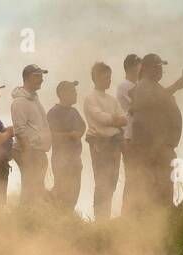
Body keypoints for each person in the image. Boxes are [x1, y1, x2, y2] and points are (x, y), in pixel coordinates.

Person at [129, 53, 183, 210]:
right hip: (151, 147)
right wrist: (175, 87)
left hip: (162, 146)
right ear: (145, 68)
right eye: (156, 66)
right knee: (154, 187)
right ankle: (152, 222)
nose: (160, 70)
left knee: (164, 185)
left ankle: (162, 220)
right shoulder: (143, 85)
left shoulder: (154, 86)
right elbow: (148, 102)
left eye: (161, 67)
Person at [82, 62, 127, 220]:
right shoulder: (90, 98)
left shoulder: (112, 100)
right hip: (100, 145)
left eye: (109, 77)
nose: (108, 80)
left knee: (112, 181)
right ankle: (100, 220)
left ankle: (105, 218)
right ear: (96, 78)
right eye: (105, 77)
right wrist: (114, 120)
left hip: (114, 144)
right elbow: (102, 118)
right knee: (102, 182)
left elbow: (124, 119)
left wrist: (113, 120)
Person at [11, 64, 51, 204]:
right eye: (38, 76)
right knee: (31, 188)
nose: (41, 79)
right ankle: (25, 219)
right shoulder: (20, 102)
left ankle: (33, 218)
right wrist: (28, 155)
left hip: (37, 151)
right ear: (27, 78)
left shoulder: (34, 99)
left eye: (41, 76)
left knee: (36, 188)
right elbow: (19, 130)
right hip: (29, 151)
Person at [48, 80, 85, 210]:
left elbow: (83, 126)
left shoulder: (74, 111)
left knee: (74, 192)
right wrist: (69, 135)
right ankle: (56, 217)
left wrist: (79, 134)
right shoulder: (54, 112)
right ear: (63, 93)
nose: (76, 94)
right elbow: (50, 135)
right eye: (73, 92)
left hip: (75, 159)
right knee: (62, 191)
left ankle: (67, 218)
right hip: (61, 159)